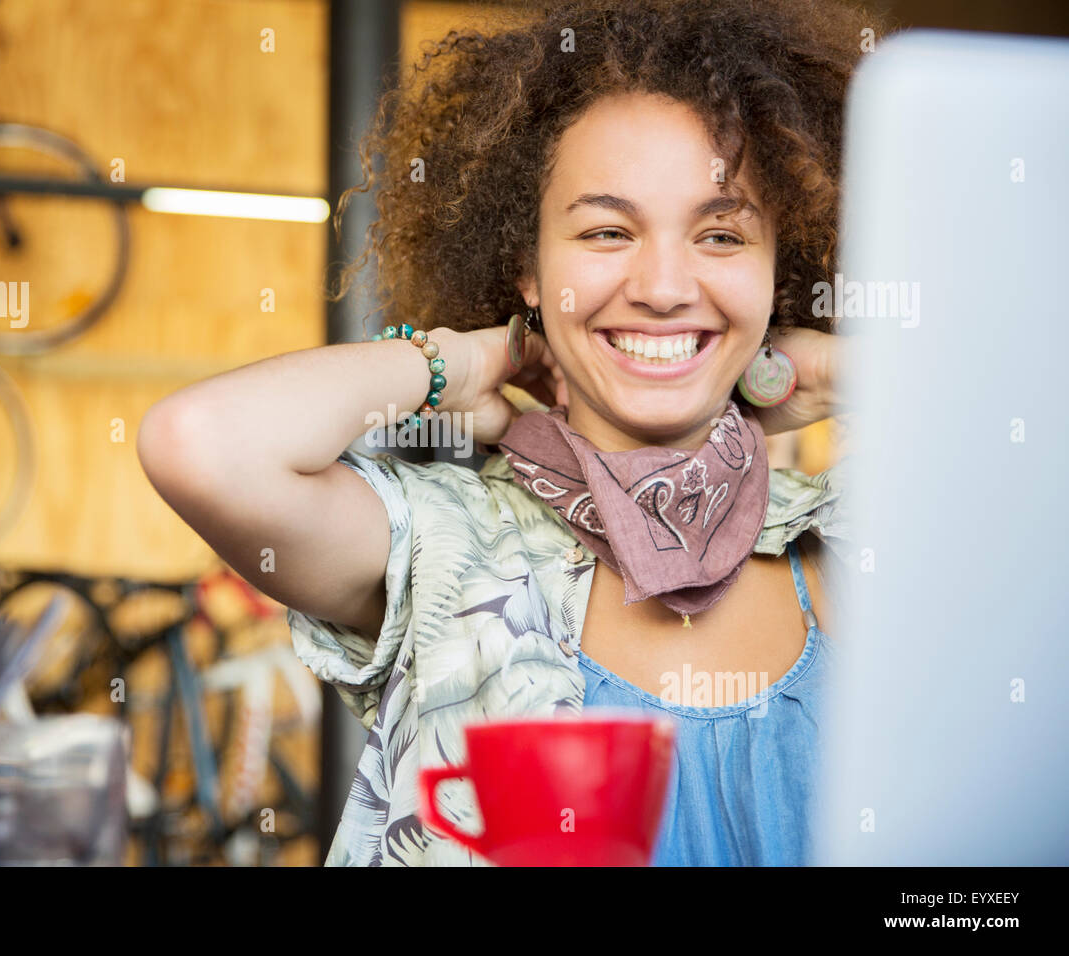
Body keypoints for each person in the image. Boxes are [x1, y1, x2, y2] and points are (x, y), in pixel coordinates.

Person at [137, 0, 881, 866]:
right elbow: (199, 442)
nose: (667, 285)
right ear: (528, 267)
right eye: (608, 231)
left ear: (774, 268)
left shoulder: (845, 545)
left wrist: (843, 371)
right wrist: (453, 364)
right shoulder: (444, 543)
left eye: (722, 234)